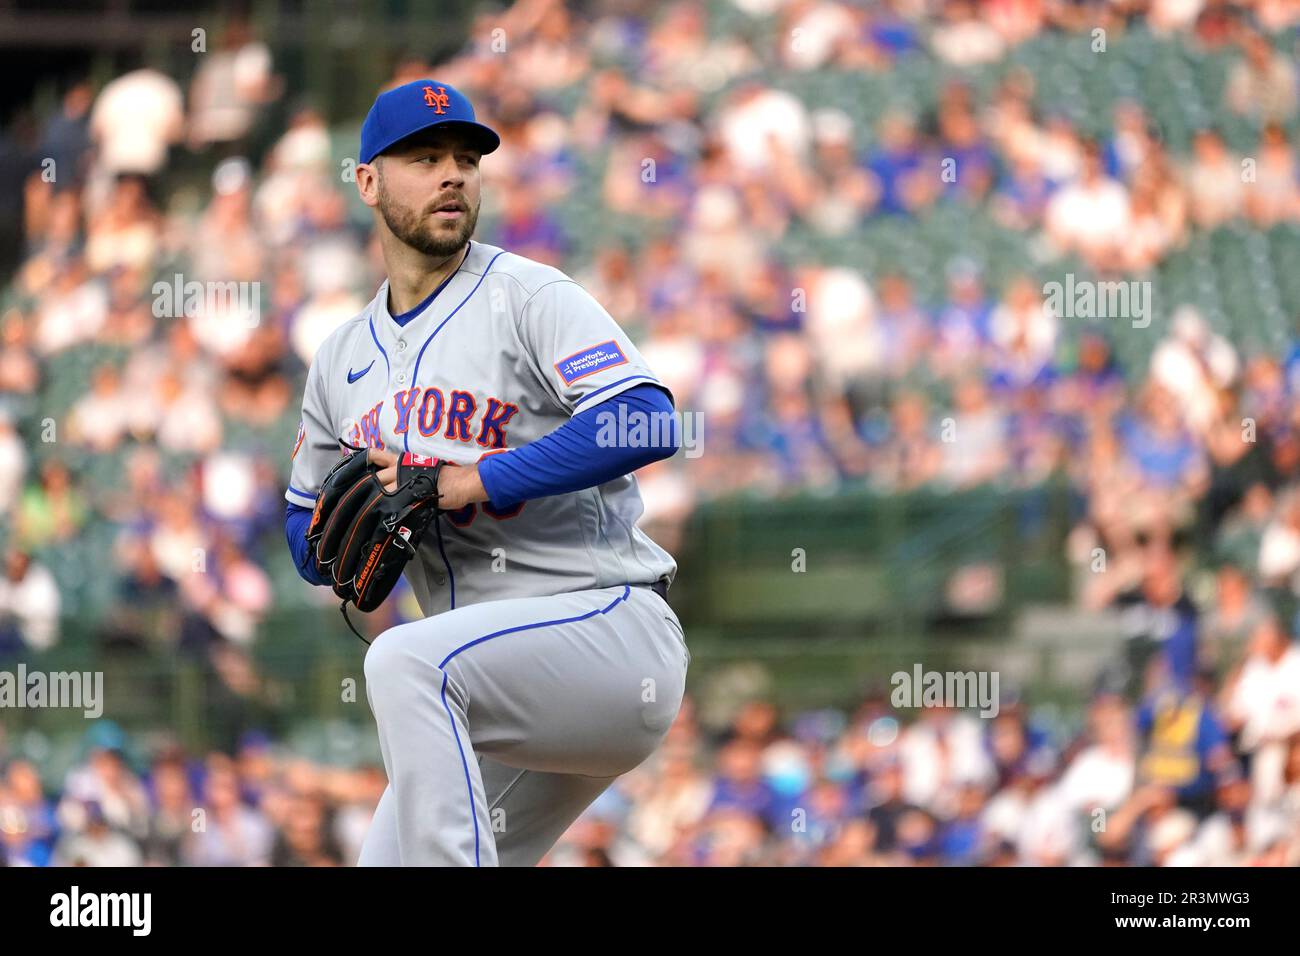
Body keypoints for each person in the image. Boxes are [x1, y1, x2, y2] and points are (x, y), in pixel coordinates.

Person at [284, 80, 688, 866]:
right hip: (489, 681)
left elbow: (646, 419)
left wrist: (467, 482)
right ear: (366, 182)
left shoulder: (527, 293)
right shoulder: (340, 360)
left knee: (404, 659)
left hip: (607, 631)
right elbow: (307, 536)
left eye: (467, 159)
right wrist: (361, 528)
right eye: (425, 157)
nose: (453, 175)